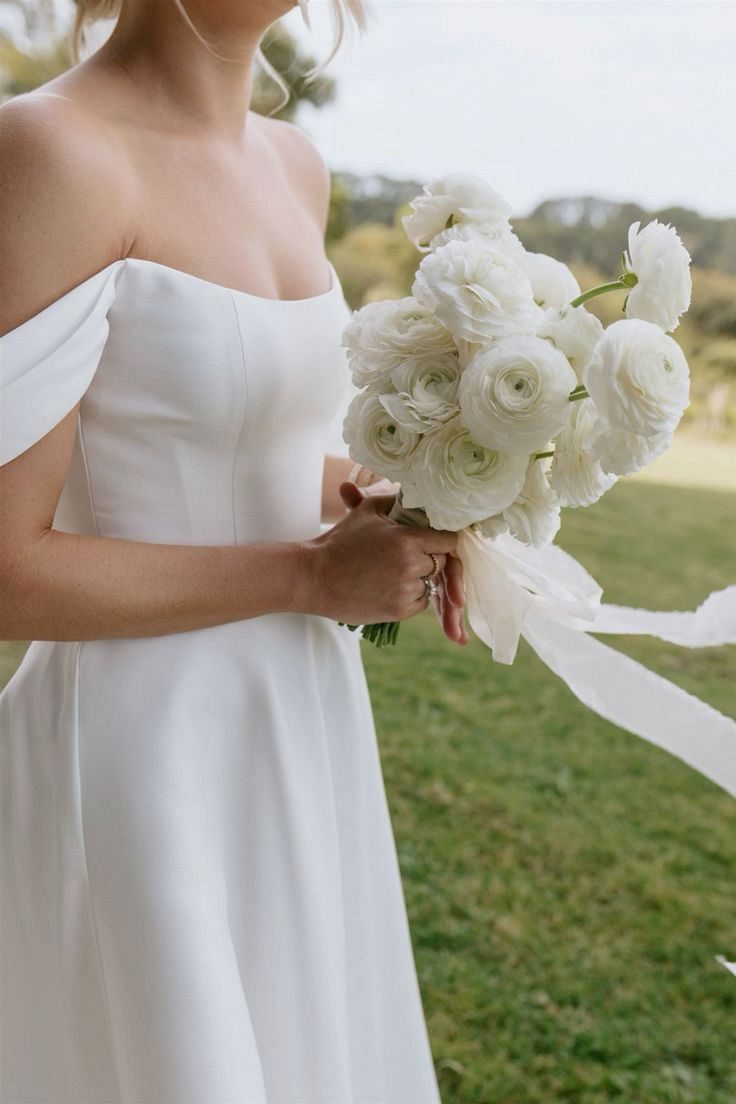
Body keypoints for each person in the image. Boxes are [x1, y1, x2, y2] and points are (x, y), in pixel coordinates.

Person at [0, 0, 469, 1100]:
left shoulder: (293, 163)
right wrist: (307, 575)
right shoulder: (53, 150)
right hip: (141, 756)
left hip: (297, 720)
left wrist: (406, 504)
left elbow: (259, 455)